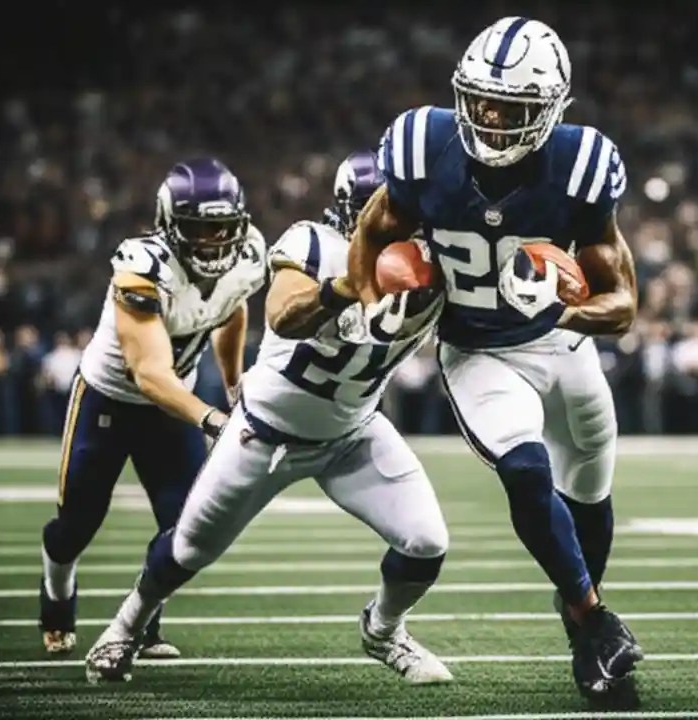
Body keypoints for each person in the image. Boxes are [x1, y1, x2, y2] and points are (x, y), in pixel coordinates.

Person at [343, 17, 642, 701]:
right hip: (478, 349)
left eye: (512, 107)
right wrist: (368, 306)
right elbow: (371, 231)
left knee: (590, 494)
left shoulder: (581, 164)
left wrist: (560, 304)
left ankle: (581, 632)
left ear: (553, 109)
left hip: (562, 345)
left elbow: (622, 306)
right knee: (525, 468)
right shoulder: (424, 145)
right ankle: (594, 620)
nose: (492, 116)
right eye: (480, 100)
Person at [84, 151, 452, 686]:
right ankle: (126, 625)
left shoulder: (436, 266)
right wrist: (344, 289)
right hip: (265, 432)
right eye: (390, 211)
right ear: (357, 210)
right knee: (188, 548)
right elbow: (283, 314)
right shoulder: (313, 244)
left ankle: (384, 629)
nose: (403, 224)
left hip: (353, 432)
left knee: (426, 542)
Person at [38, 158, 267, 658]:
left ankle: (141, 625)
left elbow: (233, 306)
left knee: (184, 526)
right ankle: (56, 597)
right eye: (200, 228)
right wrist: (211, 417)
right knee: (76, 524)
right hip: (110, 397)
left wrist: (232, 384)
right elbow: (150, 375)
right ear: (170, 224)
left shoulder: (248, 256)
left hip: (170, 405)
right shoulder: (142, 268)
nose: (213, 240)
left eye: (223, 227)